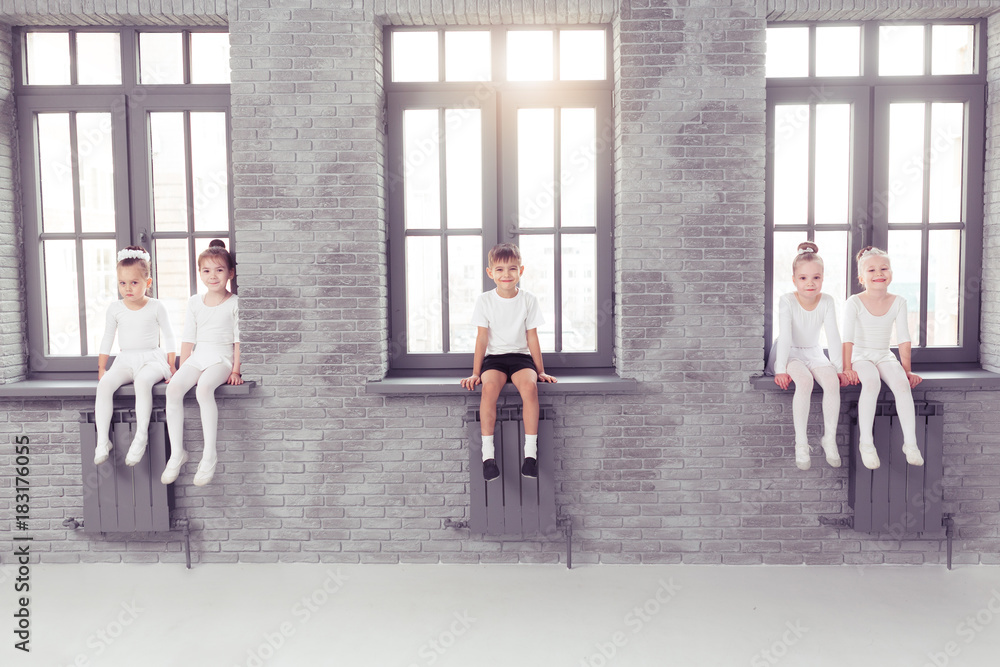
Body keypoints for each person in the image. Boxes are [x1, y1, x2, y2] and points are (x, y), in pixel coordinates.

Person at [461, 243, 557, 480]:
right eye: (500, 269)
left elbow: (532, 337)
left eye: (512, 269)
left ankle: (530, 455)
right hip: (494, 359)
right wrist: (475, 373)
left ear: (521, 271)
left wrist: (541, 370)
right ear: (490, 273)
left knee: (530, 387)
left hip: (521, 358)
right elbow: (482, 338)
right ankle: (488, 456)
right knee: (489, 389)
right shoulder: (484, 300)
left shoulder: (528, 299)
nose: (506, 274)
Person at [162, 240, 243, 486]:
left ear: (230, 273)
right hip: (199, 356)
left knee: (205, 388)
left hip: (221, 358)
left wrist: (236, 370)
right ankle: (177, 453)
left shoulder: (235, 303)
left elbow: (238, 340)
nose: (213, 276)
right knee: (173, 390)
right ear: (200, 273)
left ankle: (209, 455)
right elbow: (188, 339)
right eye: (206, 270)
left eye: (219, 270)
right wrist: (179, 370)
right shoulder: (195, 302)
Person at [842, 246, 923, 470]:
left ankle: (910, 444)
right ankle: (866, 444)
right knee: (871, 382)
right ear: (862, 278)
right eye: (871, 270)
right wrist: (847, 367)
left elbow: (904, 338)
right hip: (860, 355)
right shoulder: (854, 302)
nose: (879, 273)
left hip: (884, 354)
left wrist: (906, 371)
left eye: (884, 268)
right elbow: (847, 338)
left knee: (901, 384)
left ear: (891, 274)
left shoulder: (899, 301)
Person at [94, 246, 176, 466]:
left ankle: (141, 436)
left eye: (134, 282)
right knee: (105, 385)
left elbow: (169, 336)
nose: (127, 288)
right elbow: (107, 338)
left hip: (151, 360)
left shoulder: (156, 306)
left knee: (142, 382)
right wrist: (102, 368)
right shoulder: (115, 308)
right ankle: (102, 441)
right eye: (122, 283)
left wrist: (172, 365)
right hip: (125, 360)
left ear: (147, 282)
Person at [770, 241, 846, 470]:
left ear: (823, 278)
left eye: (816, 277)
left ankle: (829, 439)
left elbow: (833, 336)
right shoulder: (787, 300)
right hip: (789, 352)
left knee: (832, 382)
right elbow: (785, 336)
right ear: (794, 280)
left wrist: (839, 368)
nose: (810, 283)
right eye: (803, 278)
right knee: (804, 381)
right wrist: (780, 369)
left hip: (813, 351)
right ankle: (801, 443)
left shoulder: (827, 301)